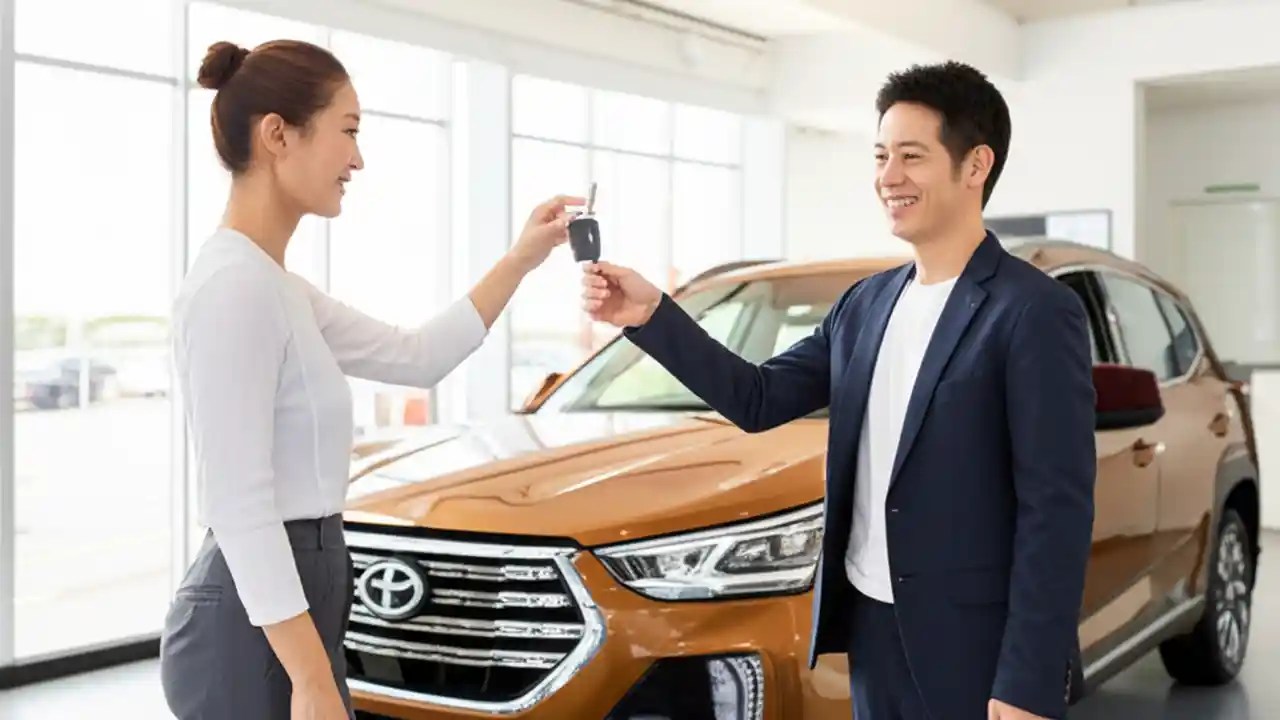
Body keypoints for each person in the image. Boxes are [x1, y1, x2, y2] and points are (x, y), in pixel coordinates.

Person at [581, 61, 1095, 720]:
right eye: (881, 156)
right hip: (873, 631)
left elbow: (1056, 512)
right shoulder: (865, 304)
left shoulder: (1034, 311)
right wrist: (650, 315)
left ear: (975, 167)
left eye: (912, 156)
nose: (887, 177)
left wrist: (1026, 681)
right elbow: (757, 398)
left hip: (975, 645)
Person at [160, 39, 583, 720]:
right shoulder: (231, 289)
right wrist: (311, 678)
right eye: (348, 131)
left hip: (297, 605)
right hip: (253, 624)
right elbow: (239, 504)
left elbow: (416, 357)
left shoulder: (277, 288)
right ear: (278, 135)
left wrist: (521, 258)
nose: (357, 159)